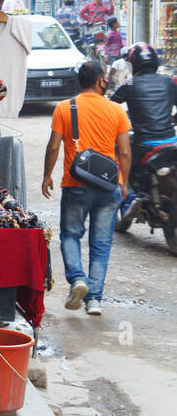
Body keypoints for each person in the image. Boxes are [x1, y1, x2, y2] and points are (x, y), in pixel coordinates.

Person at [42, 62, 131, 316]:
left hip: (75, 184)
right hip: (108, 186)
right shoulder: (116, 110)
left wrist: (47, 175)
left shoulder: (64, 108)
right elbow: (124, 151)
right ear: (101, 80)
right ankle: (94, 300)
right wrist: (124, 183)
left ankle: (77, 278)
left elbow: (53, 146)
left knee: (70, 236)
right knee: (101, 244)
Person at [111, 42, 177, 216]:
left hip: (145, 143)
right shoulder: (169, 82)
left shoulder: (130, 84)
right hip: (171, 141)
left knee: (120, 161)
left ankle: (130, 196)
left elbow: (109, 107)